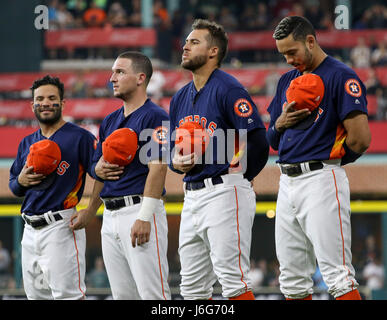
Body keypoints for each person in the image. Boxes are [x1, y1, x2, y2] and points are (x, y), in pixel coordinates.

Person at [267, 16, 371, 300]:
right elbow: (271, 139)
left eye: (292, 52)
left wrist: (331, 162)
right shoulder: (287, 80)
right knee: (291, 280)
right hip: (286, 181)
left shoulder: (340, 75)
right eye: (283, 54)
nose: (288, 60)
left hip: (322, 178)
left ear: (310, 41)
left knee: (337, 275)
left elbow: (361, 139)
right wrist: (279, 123)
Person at [169, 19, 269, 300]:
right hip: (192, 195)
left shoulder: (229, 89)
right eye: (186, 41)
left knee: (233, 280)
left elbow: (259, 140)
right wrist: (176, 163)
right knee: (191, 288)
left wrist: (241, 178)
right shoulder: (179, 97)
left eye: (194, 42)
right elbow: (171, 151)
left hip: (225, 190)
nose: (186, 46)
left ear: (213, 52)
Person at [69, 51, 171, 300]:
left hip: (139, 210)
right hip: (110, 214)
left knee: (153, 295)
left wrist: (145, 216)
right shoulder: (109, 120)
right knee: (123, 296)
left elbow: (158, 167)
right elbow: (97, 168)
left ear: (140, 78)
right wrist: (92, 207)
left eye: (120, 72)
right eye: (113, 72)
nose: (112, 77)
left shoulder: (157, 116)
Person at [8, 75, 97, 300]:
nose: (45, 103)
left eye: (51, 98)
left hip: (61, 226)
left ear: (63, 103)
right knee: (36, 297)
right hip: (29, 229)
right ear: (32, 105)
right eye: (40, 99)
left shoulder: (80, 137)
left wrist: (91, 209)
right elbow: (14, 187)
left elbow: (102, 174)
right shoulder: (27, 142)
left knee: (68, 296)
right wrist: (21, 181)